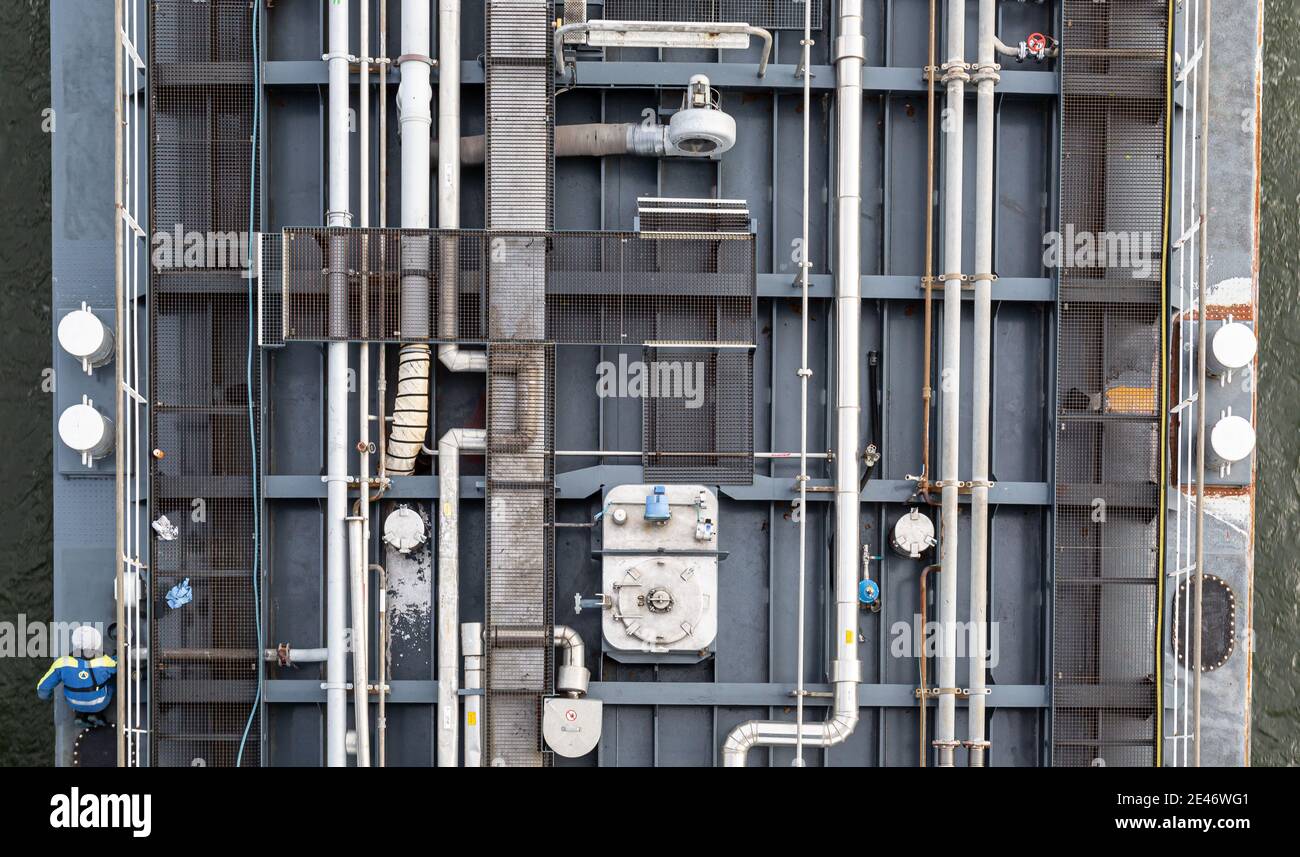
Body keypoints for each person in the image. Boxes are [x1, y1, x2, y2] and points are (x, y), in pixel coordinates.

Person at [36, 625, 117, 728]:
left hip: (73, 703)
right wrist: (116, 656)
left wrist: (47, 696)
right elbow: (116, 667)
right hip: (101, 703)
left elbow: (42, 690)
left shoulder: (62, 663)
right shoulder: (105, 661)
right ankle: (97, 715)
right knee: (112, 680)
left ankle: (80, 716)